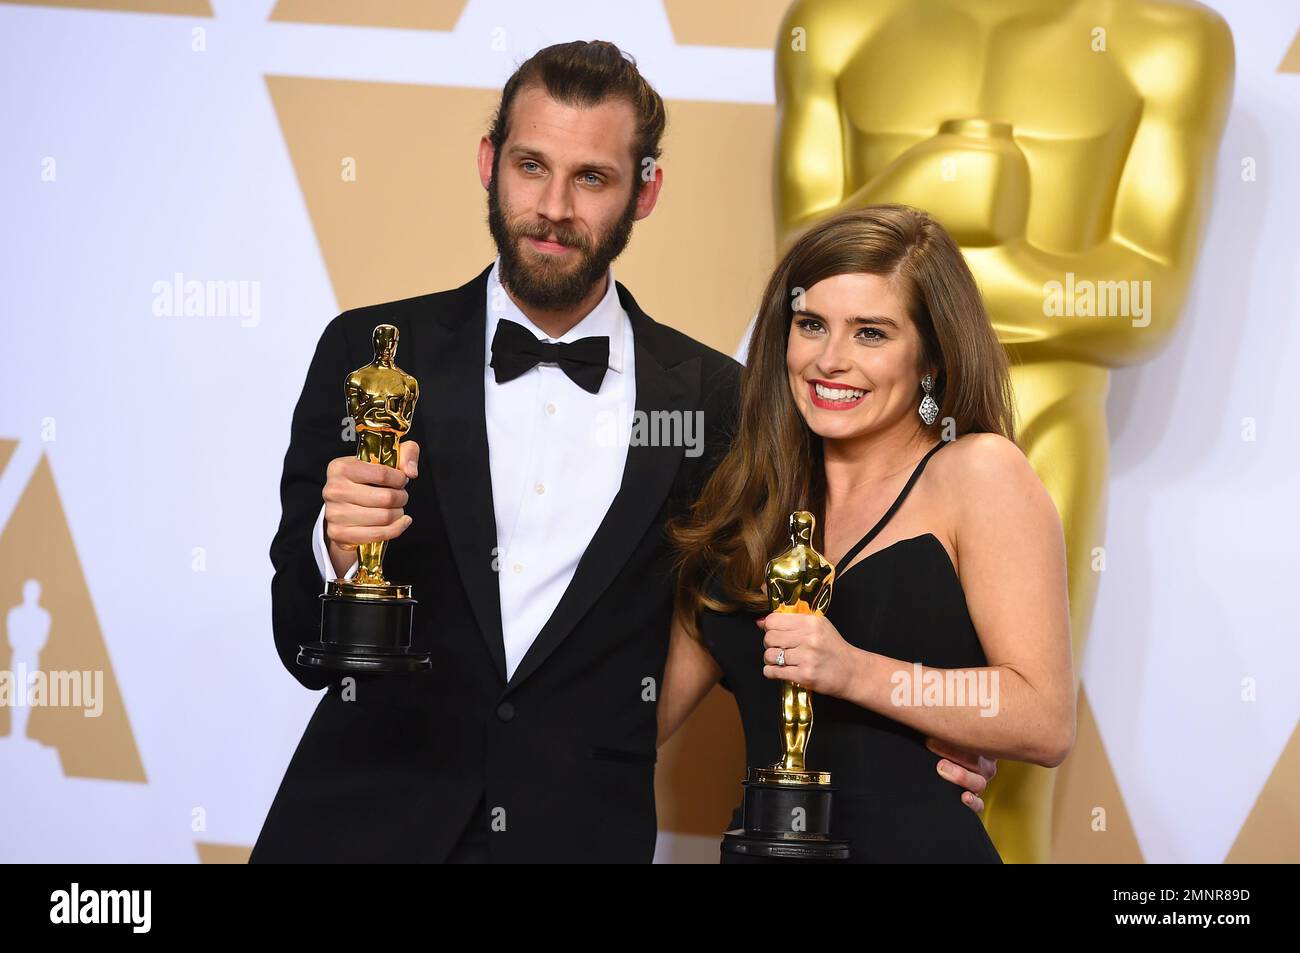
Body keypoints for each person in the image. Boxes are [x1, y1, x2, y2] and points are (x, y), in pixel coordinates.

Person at [252, 41, 989, 863]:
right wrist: (338, 556)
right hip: (356, 827)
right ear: (490, 162)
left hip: (577, 836)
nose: (554, 206)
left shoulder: (721, 401)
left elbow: (781, 607)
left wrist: (928, 736)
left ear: (644, 191)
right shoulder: (374, 353)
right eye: (532, 166)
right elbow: (297, 639)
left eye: (593, 178)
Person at [661, 204, 1075, 863]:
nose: (831, 360)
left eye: (871, 334)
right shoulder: (745, 501)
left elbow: (1044, 716)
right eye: (811, 325)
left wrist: (852, 670)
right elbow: (638, 715)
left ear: (931, 357)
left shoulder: (978, 473)